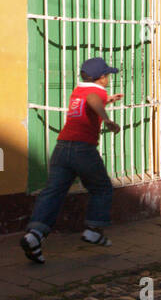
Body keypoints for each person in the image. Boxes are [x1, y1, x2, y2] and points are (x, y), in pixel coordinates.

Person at [21, 57, 123, 262]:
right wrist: (107, 120)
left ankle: (34, 235)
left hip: (62, 148)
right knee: (102, 188)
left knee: (53, 193)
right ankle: (93, 229)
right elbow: (94, 99)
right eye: (107, 75)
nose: (108, 78)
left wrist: (109, 100)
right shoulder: (97, 92)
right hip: (82, 149)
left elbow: (90, 99)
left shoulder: (78, 91)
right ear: (101, 78)